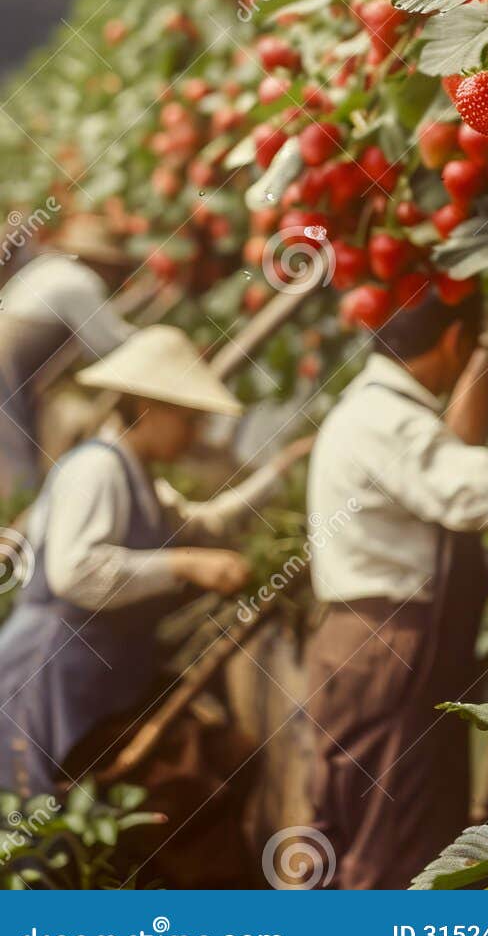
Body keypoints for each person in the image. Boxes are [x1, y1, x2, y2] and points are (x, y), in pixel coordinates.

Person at [304, 290, 488, 890]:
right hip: (392, 644)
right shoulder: (387, 420)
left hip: (364, 643)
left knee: (374, 821)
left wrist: (474, 366)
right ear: (448, 340)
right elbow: (479, 496)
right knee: (389, 840)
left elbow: (448, 457)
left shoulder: (374, 408)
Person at [0, 324, 305, 799]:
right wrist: (183, 565)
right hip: (45, 677)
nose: (196, 432)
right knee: (31, 816)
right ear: (148, 410)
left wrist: (276, 473)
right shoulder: (97, 469)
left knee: (71, 809)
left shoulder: (138, 479)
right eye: (189, 419)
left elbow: (201, 525)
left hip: (87, 684)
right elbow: (74, 572)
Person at [0, 215, 134, 496]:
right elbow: (106, 343)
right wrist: (151, 344)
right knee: (13, 439)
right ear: (101, 262)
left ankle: (19, 504)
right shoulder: (81, 283)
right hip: (6, 359)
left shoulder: (50, 268)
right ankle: (20, 507)